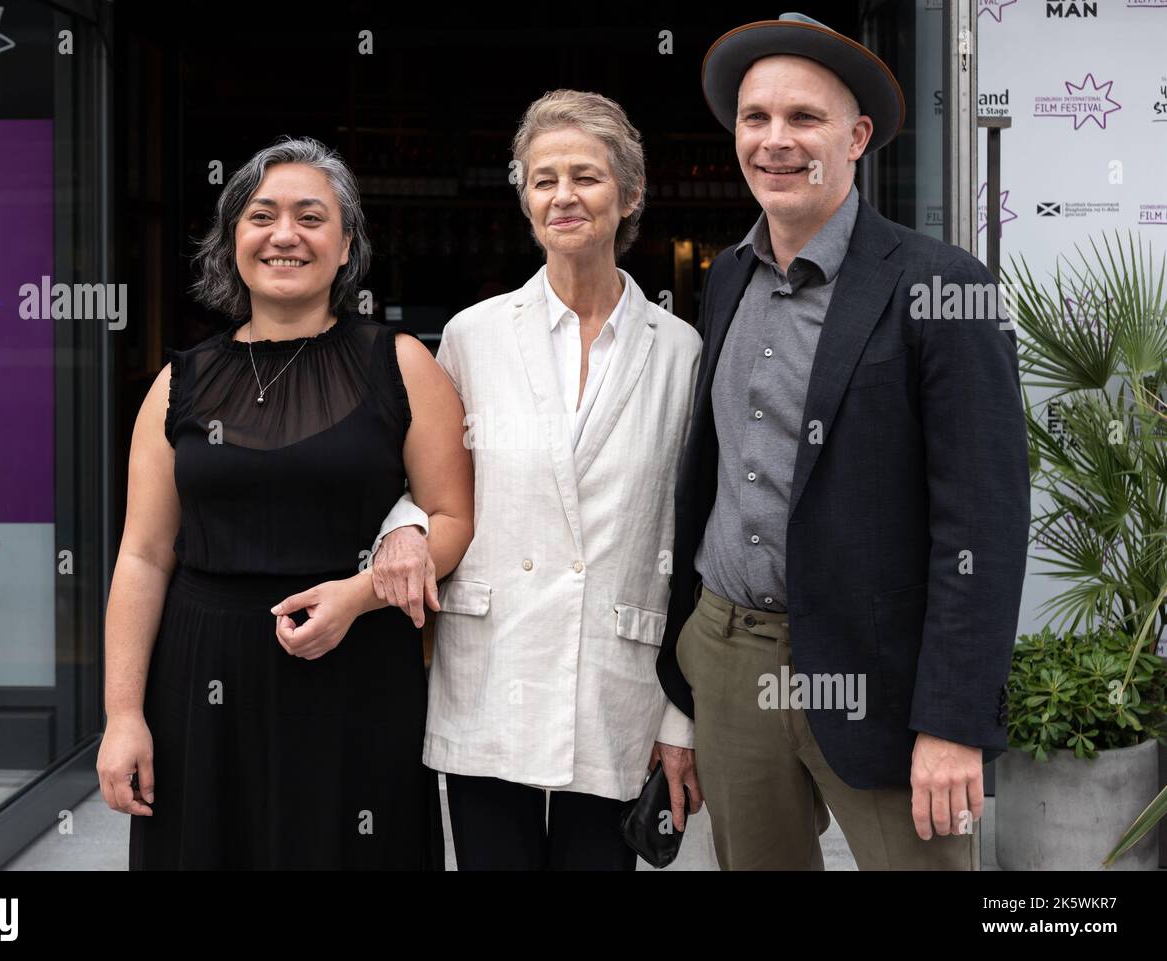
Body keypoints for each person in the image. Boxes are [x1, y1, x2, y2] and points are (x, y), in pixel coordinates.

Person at [657, 14, 1031, 870]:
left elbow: (983, 522)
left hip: (886, 681)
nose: (775, 141)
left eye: (804, 118)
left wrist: (953, 719)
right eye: (756, 119)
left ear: (857, 137)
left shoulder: (944, 288)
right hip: (730, 659)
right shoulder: (727, 277)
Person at [96, 136, 473, 869]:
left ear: (345, 246)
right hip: (203, 684)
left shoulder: (402, 365)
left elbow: (453, 518)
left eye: (311, 217)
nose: (284, 235)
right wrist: (122, 716)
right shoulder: (180, 383)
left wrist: (362, 595)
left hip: (359, 672)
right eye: (261, 215)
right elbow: (142, 557)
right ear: (233, 239)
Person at [384, 90, 704, 871]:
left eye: (586, 177)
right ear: (525, 200)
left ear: (628, 195)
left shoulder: (682, 349)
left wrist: (680, 718)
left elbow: (691, 536)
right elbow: (430, 479)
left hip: (617, 671)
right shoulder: (473, 333)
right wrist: (403, 526)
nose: (564, 196)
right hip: (495, 663)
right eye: (542, 178)